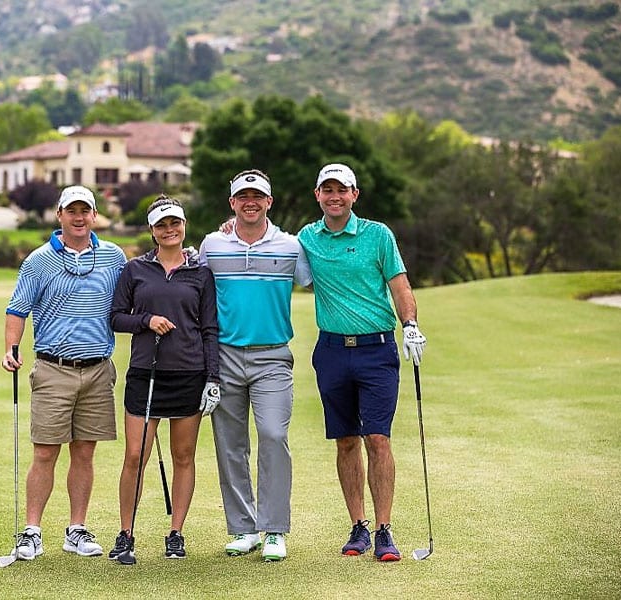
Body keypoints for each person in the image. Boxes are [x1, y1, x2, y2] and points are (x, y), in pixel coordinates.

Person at [297, 163, 427, 562]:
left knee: (378, 438)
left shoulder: (378, 235)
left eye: (342, 189)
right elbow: (270, 245)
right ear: (317, 195)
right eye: (327, 189)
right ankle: (359, 526)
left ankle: (385, 528)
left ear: (355, 194)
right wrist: (230, 230)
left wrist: (410, 325)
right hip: (332, 351)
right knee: (347, 440)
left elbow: (400, 286)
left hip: (377, 350)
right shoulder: (307, 238)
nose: (335, 196)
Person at [1, 185, 127, 561]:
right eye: (71, 211)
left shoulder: (113, 257)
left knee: (85, 453)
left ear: (94, 214)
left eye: (85, 210)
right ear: (59, 215)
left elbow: (137, 288)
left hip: (98, 370)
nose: (78, 217)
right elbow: (17, 308)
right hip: (54, 368)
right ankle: (32, 531)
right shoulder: (39, 261)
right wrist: (11, 348)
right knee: (45, 453)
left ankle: (76, 530)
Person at [199, 169, 312, 561]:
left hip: (273, 357)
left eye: (257, 196)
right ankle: (243, 528)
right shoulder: (212, 245)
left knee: (273, 436)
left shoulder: (291, 246)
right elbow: (196, 291)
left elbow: (317, 281)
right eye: (242, 196)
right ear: (232, 203)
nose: (250, 202)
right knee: (230, 445)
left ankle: (275, 529)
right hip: (224, 357)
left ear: (269, 201)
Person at [109, 195, 220, 560]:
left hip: (189, 373)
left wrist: (213, 377)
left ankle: (176, 532)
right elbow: (116, 317)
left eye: (174, 223)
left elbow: (209, 328)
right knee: (135, 455)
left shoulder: (201, 272)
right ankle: (126, 533)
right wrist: (146, 320)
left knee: (183, 455)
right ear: (152, 230)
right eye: (161, 225)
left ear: (184, 225)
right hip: (146, 373)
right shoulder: (135, 270)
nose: (169, 230)